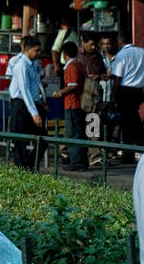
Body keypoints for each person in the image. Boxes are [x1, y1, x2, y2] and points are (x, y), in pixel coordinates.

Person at [102, 32, 144, 166]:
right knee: (134, 120)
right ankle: (136, 149)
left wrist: (114, 96)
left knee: (127, 124)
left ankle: (129, 154)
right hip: (138, 91)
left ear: (119, 43)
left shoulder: (122, 55)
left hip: (125, 91)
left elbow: (117, 78)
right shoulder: (142, 52)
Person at [7, 35, 46, 170]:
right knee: (20, 141)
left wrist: (40, 102)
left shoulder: (34, 64)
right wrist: (34, 113)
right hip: (20, 105)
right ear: (27, 50)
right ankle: (22, 169)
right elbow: (25, 91)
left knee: (43, 139)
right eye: (36, 51)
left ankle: (29, 165)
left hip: (32, 103)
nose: (38, 53)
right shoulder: (21, 66)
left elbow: (34, 86)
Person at [54, 41, 87, 170]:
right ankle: (80, 161)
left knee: (73, 133)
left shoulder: (71, 67)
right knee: (78, 133)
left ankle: (76, 162)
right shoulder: (79, 65)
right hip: (78, 103)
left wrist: (60, 92)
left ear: (64, 54)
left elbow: (72, 85)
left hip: (72, 104)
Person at [80, 35, 105, 167]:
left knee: (93, 123)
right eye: (90, 44)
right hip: (82, 91)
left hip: (95, 91)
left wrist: (101, 76)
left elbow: (103, 71)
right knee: (78, 125)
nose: (93, 47)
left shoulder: (98, 56)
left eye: (95, 45)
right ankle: (74, 154)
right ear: (83, 43)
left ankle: (94, 156)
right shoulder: (78, 55)